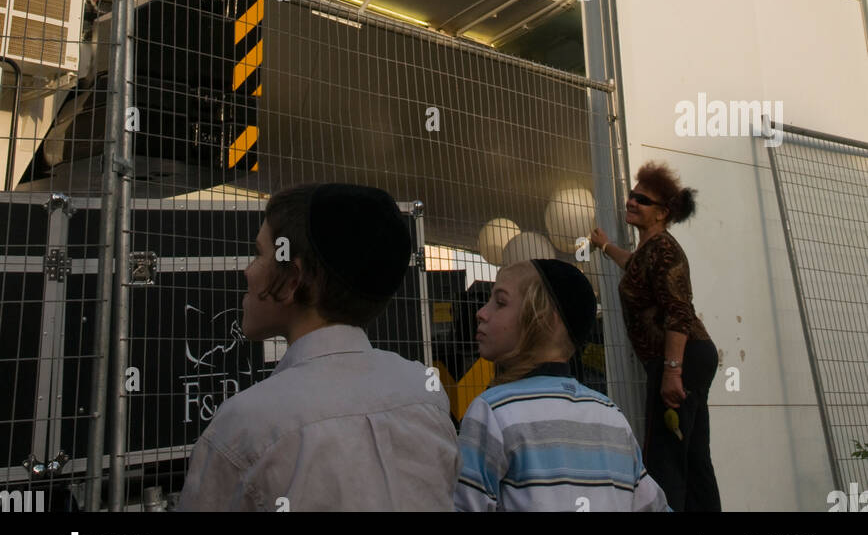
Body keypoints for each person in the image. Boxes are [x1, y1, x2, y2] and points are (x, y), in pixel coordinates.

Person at [177, 182, 459, 511]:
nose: (247, 269)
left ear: (292, 281)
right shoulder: (425, 395)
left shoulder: (247, 426)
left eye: (259, 254)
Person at [454, 259, 669, 512]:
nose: (481, 312)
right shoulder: (612, 416)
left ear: (544, 320)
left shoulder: (492, 411)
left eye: (500, 302)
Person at [590, 162, 722, 512]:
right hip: (690, 357)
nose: (632, 202)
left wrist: (671, 371)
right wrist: (605, 247)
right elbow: (634, 266)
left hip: (682, 357)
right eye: (632, 196)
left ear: (662, 213)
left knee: (665, 458)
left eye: (642, 200)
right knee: (692, 456)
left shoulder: (664, 249)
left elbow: (678, 311)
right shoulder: (650, 250)